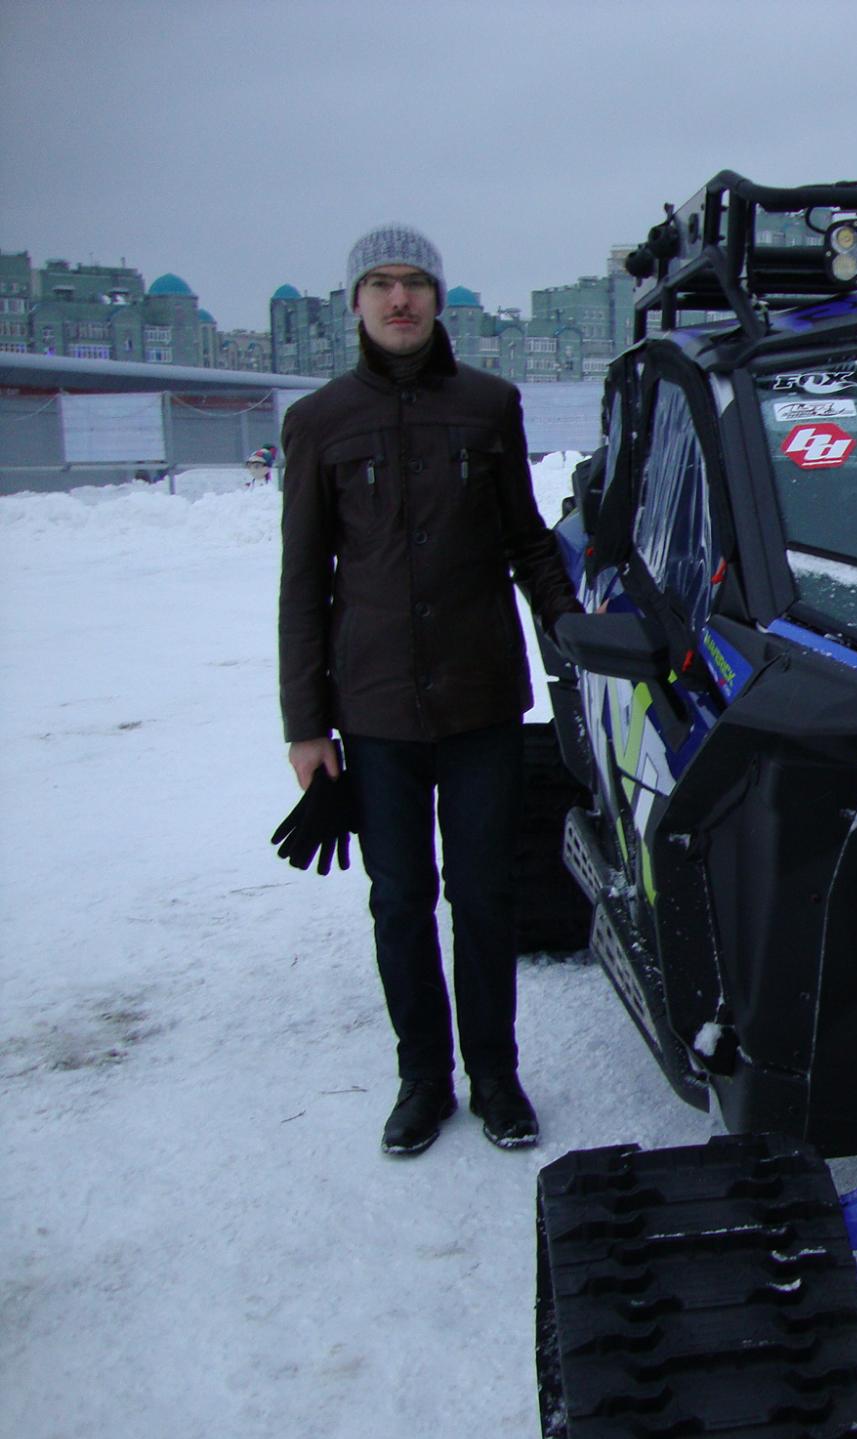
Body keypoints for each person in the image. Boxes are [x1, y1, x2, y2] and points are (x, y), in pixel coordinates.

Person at [277, 223, 580, 1158]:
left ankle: (494, 1072)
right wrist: (306, 725)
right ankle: (424, 1078)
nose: (399, 299)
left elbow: (527, 538)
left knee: (485, 895)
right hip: (373, 711)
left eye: (415, 283)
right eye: (380, 284)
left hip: (482, 696)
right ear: (356, 303)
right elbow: (302, 580)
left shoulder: (489, 407)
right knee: (399, 899)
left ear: (439, 300)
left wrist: (568, 632)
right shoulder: (321, 421)